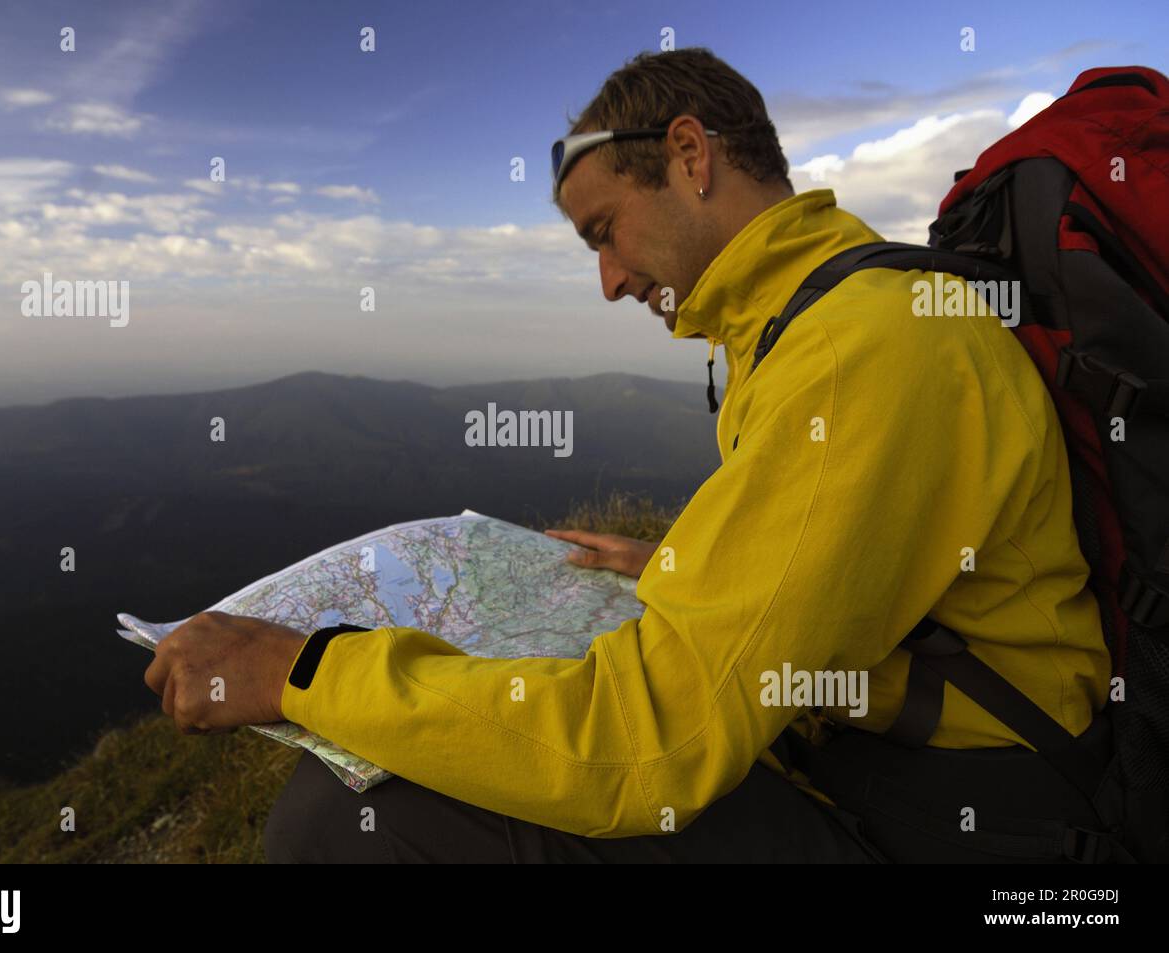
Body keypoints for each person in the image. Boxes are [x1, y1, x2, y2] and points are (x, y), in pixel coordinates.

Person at [145, 48, 1112, 863]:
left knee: (349, 819)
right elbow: (868, 570)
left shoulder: (853, 353)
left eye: (603, 233)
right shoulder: (827, 320)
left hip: (978, 830)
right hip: (910, 771)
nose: (607, 282)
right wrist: (683, 572)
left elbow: (654, 746)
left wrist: (305, 671)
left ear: (690, 154)